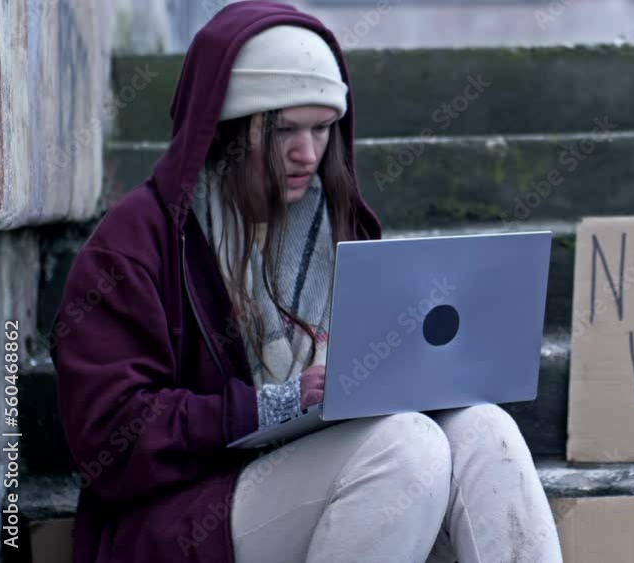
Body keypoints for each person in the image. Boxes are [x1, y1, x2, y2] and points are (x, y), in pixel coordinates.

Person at [50, 2, 563, 562]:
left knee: (486, 429)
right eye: (283, 130)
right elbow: (110, 437)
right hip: (185, 511)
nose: (308, 154)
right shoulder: (133, 244)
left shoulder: (338, 225)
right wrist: (275, 405)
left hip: (325, 474)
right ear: (226, 130)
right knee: (406, 448)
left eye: (322, 129)